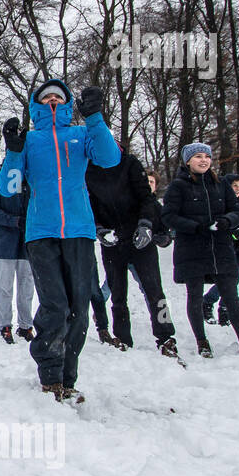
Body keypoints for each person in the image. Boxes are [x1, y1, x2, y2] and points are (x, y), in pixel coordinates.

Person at [0, 79, 120, 400]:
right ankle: (50, 374)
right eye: (46, 97)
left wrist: (94, 117)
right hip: (41, 233)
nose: (52, 100)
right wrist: (13, 152)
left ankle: (67, 377)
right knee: (55, 305)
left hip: (79, 231)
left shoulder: (80, 135)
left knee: (79, 308)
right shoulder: (31, 140)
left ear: (65, 105)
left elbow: (110, 158)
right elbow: (8, 188)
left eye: (58, 97)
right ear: (37, 106)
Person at [161, 143, 239, 359]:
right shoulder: (178, 186)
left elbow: (236, 211)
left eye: (207, 156)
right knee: (194, 297)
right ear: (187, 161)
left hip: (220, 248)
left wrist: (226, 221)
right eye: (197, 157)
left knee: (231, 297)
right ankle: (202, 341)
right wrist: (195, 226)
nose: (203, 160)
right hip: (192, 249)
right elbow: (168, 216)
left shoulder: (221, 184)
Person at [86, 149, 179, 357]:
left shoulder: (130, 163)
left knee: (155, 290)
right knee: (117, 294)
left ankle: (166, 337)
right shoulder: (88, 169)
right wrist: (99, 229)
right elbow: (88, 204)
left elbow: (147, 198)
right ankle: (122, 338)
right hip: (112, 241)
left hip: (140, 238)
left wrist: (146, 224)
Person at [0, 167, 33, 344]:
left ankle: (25, 325)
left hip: (28, 239)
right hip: (5, 240)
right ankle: (5, 325)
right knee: (5, 286)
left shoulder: (30, 173)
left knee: (27, 285)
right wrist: (12, 220)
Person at [202, 173, 239, 325]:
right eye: (234, 186)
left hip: (237, 249)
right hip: (222, 248)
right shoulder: (220, 202)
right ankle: (208, 302)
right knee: (226, 282)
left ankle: (224, 310)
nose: (237, 189)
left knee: (233, 281)